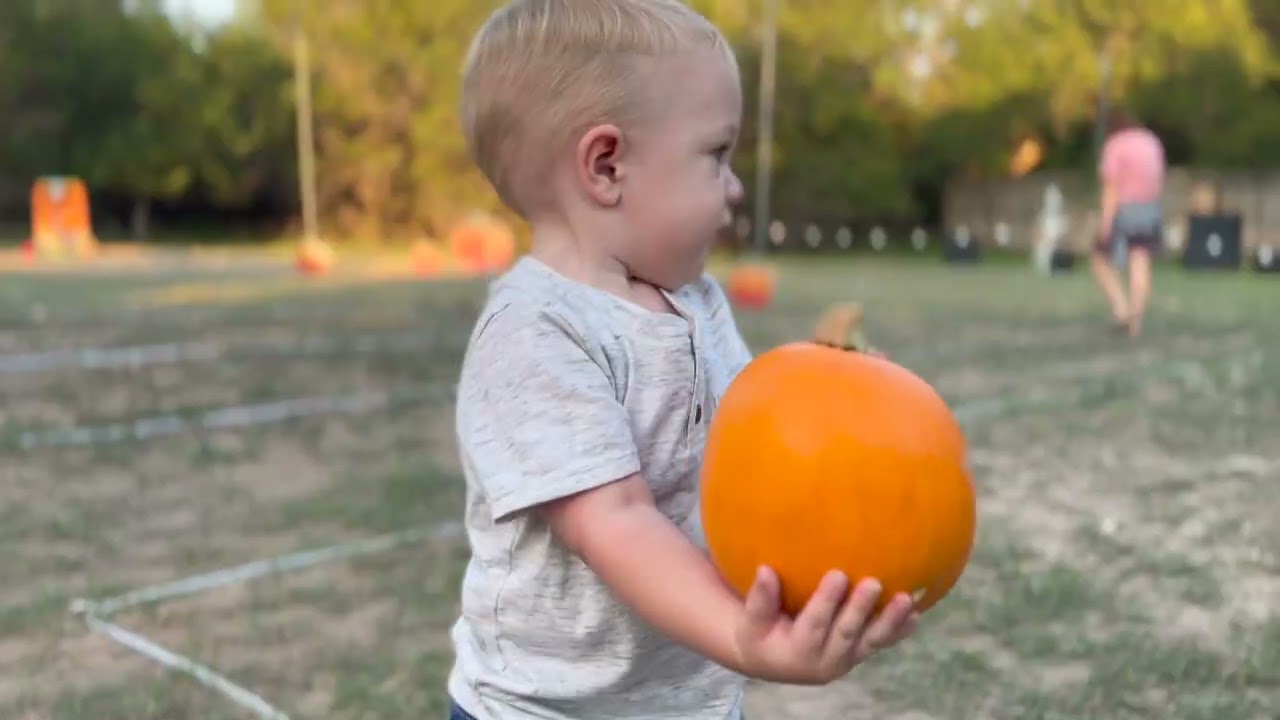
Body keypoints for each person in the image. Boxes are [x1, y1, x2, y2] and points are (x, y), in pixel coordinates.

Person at [446, 2, 920, 719]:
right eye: (717, 155)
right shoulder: (534, 333)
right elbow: (616, 519)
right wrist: (740, 634)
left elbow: (756, 440)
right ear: (607, 166)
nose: (733, 186)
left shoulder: (696, 301)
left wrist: (846, 396)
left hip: (687, 699)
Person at [1090, 107, 1166, 338]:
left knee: (1099, 259)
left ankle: (1121, 308)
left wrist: (1105, 223)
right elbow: (1158, 180)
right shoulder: (1151, 141)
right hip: (1150, 208)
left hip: (1126, 209)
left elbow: (1111, 188)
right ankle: (1136, 322)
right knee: (1140, 261)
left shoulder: (1116, 145)